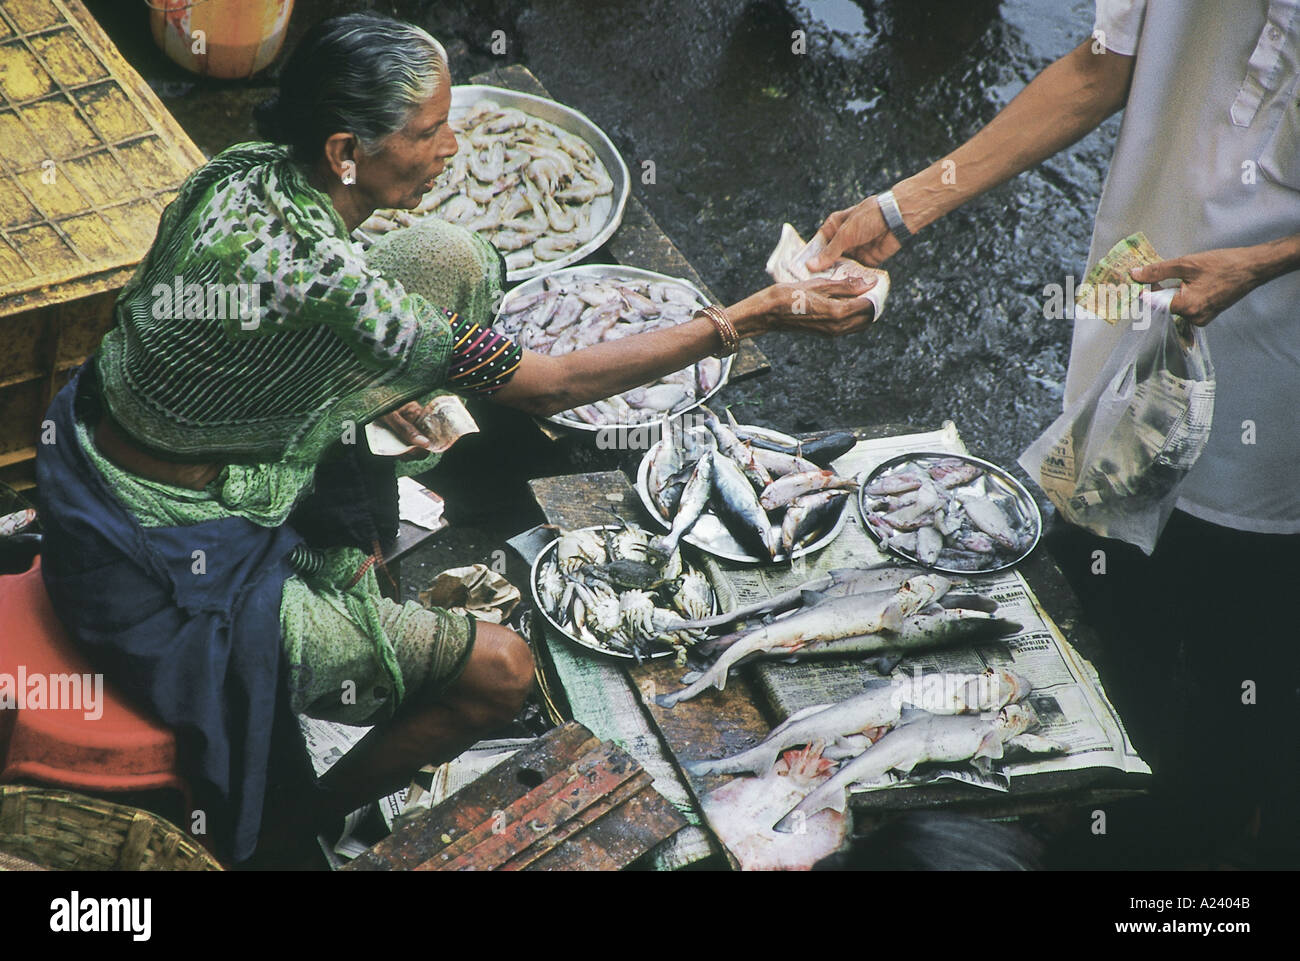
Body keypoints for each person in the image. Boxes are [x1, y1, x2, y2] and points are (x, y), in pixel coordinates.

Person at [34, 13, 880, 865]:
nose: (451, 146)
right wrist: (747, 318)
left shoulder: (242, 173)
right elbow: (552, 385)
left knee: (453, 259)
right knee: (503, 671)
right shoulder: (340, 293)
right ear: (344, 152)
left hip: (110, 435)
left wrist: (366, 381)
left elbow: (230, 320)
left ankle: (361, 422)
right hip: (154, 555)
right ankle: (307, 811)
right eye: (430, 130)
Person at [809, 1, 1299, 867]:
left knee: (1240, 626)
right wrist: (904, 205)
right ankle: (1094, 784)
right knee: (1101, 558)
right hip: (1134, 301)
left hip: (1278, 367)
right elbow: (1101, 65)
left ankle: (1207, 836)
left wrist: (1262, 260)